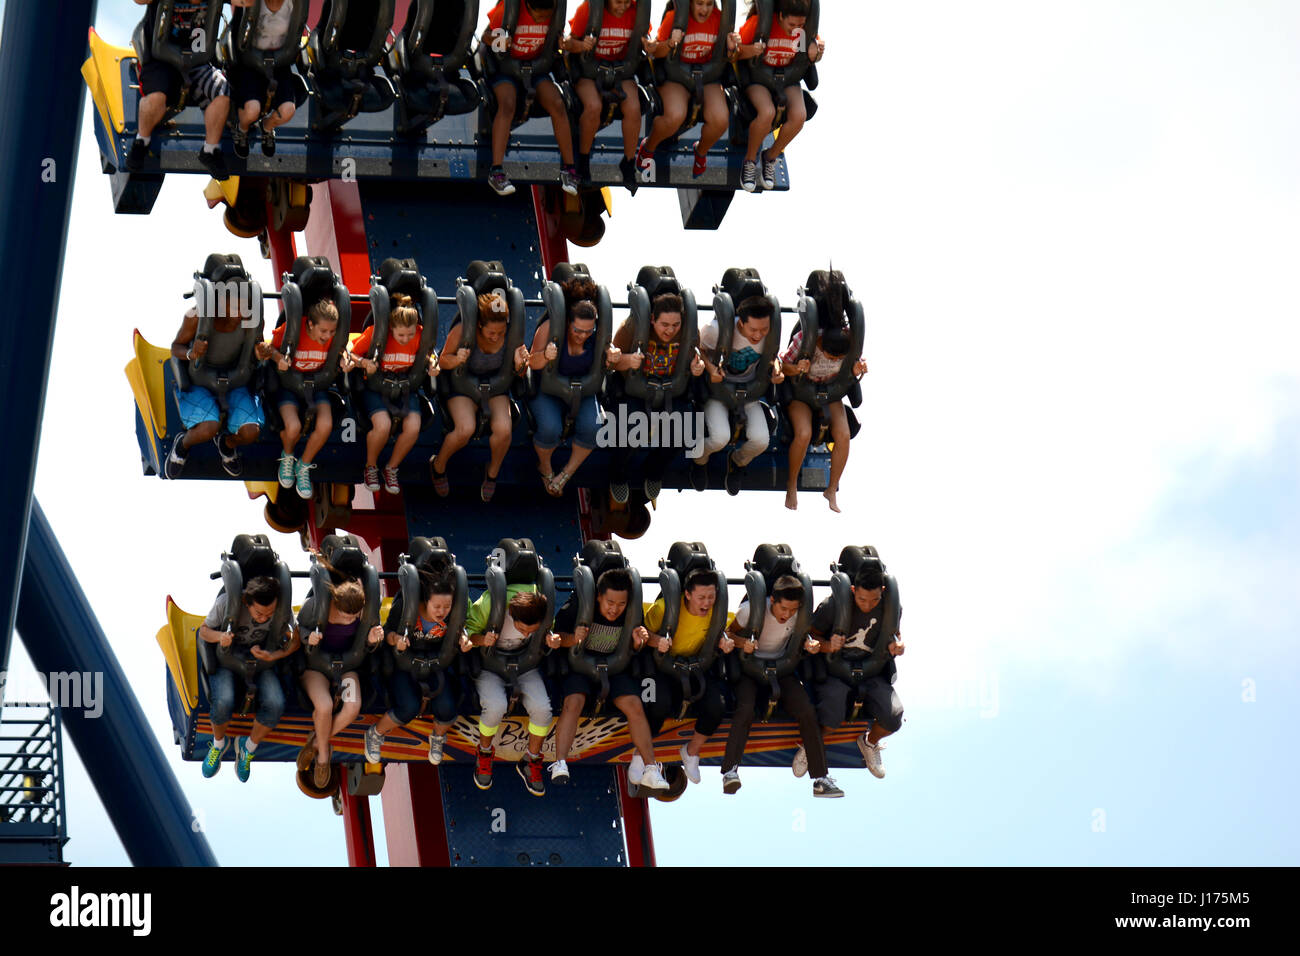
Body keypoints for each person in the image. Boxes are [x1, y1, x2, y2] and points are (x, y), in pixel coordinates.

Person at [720, 574, 843, 797]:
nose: (787, 615)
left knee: (806, 710)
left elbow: (809, 641)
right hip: (750, 668)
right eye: (783, 609)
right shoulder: (749, 611)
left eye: (792, 610)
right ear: (772, 601)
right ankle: (730, 771)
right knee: (745, 708)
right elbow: (728, 635)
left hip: (781, 668)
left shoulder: (797, 616)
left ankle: (820, 779)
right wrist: (742, 644)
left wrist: (818, 645)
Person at [549, 569, 668, 792]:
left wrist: (638, 642)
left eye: (621, 604)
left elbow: (637, 645)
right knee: (573, 701)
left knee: (634, 704)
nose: (614, 609)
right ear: (598, 597)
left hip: (614, 668)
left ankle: (651, 768)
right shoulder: (577, 608)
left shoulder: (631, 614)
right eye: (609, 602)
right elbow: (560, 637)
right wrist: (572, 639)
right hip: (580, 667)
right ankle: (560, 763)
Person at [801, 564, 904, 779]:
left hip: (871, 671)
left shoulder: (891, 607)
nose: (868, 606)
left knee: (894, 717)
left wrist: (896, 646)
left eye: (874, 600)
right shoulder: (833, 606)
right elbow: (809, 635)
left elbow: (895, 634)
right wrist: (828, 645)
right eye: (862, 600)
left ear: (883, 592)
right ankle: (810, 747)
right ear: (853, 590)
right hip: (835, 670)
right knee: (831, 717)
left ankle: (869, 742)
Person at [429, 290, 530, 502]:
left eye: (500, 333)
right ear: (480, 325)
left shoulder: (510, 337)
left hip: (495, 388)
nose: (496, 337)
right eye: (491, 332)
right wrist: (457, 359)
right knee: (465, 429)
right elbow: (443, 361)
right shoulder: (462, 331)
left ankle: (492, 473)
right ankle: (438, 465)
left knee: (504, 430)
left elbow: (519, 372)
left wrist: (521, 365)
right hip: (464, 388)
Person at [198, 574, 299, 782]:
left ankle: (247, 747)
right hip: (228, 659)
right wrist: (221, 638)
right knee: (223, 702)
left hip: (261, 661)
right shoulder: (226, 603)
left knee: (275, 704)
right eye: (259, 614)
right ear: (246, 601)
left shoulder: (281, 609)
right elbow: (204, 631)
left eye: (268, 614)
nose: (263, 619)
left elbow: (296, 640)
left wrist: (274, 655)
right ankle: (219, 744)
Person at [607, 291, 705, 502]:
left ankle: (654, 471)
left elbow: (698, 359)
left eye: (676, 325)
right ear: (652, 319)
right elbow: (611, 363)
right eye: (664, 325)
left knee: (686, 431)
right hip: (636, 391)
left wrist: (698, 368)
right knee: (632, 429)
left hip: (671, 391)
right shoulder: (630, 329)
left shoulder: (690, 332)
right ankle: (618, 474)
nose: (670, 330)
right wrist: (626, 359)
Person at [780, 274, 868, 511]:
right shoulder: (804, 339)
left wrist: (857, 370)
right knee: (804, 433)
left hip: (830, 393)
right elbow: (782, 364)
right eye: (830, 356)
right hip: (802, 393)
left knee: (843, 434)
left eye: (838, 358)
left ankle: (831, 489)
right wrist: (797, 368)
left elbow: (853, 366)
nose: (833, 360)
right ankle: (791, 485)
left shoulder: (848, 341)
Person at [364, 562, 462, 766]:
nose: (442, 611)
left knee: (448, 708)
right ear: (426, 600)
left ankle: (437, 737)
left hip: (435, 661)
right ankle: (375, 733)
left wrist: (464, 640)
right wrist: (396, 640)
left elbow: (459, 632)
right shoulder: (405, 607)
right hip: (405, 661)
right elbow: (388, 632)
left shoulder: (452, 614)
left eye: (447, 607)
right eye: (437, 607)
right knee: (408, 707)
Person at [296, 565, 385, 788]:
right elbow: (297, 633)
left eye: (353, 617)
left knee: (353, 706)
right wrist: (309, 638)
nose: (349, 620)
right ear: (334, 602)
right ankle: (323, 755)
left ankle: (315, 742)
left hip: (346, 667)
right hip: (316, 668)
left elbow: (365, 646)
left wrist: (372, 640)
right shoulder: (315, 609)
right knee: (324, 706)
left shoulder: (362, 613)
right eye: (345, 616)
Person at [641, 567, 731, 786]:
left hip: (693, 668)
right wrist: (656, 641)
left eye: (711, 597)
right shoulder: (663, 609)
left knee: (717, 706)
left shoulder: (716, 613)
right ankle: (641, 757)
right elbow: (640, 631)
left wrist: (728, 641)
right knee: (657, 704)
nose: (707, 602)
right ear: (687, 595)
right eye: (701, 597)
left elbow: (732, 630)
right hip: (660, 668)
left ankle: (691, 751)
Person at [462, 588, 556, 796]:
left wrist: (550, 639)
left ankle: (530, 759)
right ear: (511, 614)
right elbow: (469, 632)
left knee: (542, 710)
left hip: (524, 667)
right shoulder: (489, 607)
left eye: (530, 631)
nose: (525, 634)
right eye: (522, 629)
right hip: (490, 668)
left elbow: (550, 631)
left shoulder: (540, 612)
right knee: (496, 707)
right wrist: (480, 640)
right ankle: (484, 753)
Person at [482, 0, 580, 197]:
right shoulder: (507, 10)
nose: (542, 20)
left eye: (546, 17)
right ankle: (496, 170)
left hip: (535, 68)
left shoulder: (554, 13)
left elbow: (559, 43)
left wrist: (562, 43)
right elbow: (485, 37)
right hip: (506, 69)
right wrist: (498, 41)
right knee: (507, 104)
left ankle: (569, 169)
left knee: (558, 104)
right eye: (538, 17)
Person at [528, 277, 616, 496]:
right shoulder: (550, 328)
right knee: (550, 429)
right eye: (577, 331)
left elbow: (613, 358)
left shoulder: (596, 337)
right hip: (550, 390)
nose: (582, 336)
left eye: (588, 331)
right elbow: (532, 362)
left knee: (593, 428)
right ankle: (545, 467)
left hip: (582, 390)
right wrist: (545, 355)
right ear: (568, 322)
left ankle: (565, 474)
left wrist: (613, 356)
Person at [127, 0, 234, 180]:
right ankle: (141, 141)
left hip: (197, 61)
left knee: (222, 92)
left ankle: (210, 150)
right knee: (156, 100)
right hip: (162, 60)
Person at [344, 293, 438, 496]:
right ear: (391, 328)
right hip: (376, 387)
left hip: (405, 387)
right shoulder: (376, 333)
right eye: (401, 335)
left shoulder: (420, 335)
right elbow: (351, 351)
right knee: (383, 425)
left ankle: (391, 468)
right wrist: (363, 363)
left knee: (413, 427)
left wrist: (431, 363)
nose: (406, 340)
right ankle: (371, 466)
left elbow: (430, 354)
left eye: (410, 335)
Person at [691, 295, 784, 495]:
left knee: (761, 441)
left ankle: (737, 462)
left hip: (748, 393)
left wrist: (776, 370)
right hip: (719, 392)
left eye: (764, 330)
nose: (759, 335)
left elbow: (772, 356)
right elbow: (699, 350)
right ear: (741, 322)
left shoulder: (769, 334)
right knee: (719, 438)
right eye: (753, 330)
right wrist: (710, 368)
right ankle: (699, 460)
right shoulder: (715, 331)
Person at [165, 295, 265, 480]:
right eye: (234, 305)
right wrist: (190, 353)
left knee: (251, 432)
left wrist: (260, 353)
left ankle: (227, 444)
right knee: (209, 428)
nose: (241, 312)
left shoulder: (251, 318)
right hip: (201, 380)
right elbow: (175, 347)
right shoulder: (194, 316)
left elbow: (258, 347)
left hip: (235, 380)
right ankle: (183, 444)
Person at [638, 0, 737, 176]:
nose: (705, 10)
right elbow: (656, 52)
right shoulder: (674, 19)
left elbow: (729, 57)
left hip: (707, 77)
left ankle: (701, 150)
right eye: (699, 4)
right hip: (677, 77)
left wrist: (731, 49)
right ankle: (648, 146)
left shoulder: (718, 19)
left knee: (721, 120)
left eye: (708, 4)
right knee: (674, 116)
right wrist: (670, 43)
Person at [735, 0, 825, 192]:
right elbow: (734, 54)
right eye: (791, 25)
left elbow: (808, 55)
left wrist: (815, 53)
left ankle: (770, 157)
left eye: (800, 26)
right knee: (766, 113)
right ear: (780, 16)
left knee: (799, 116)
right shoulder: (760, 25)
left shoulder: (800, 33)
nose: (795, 30)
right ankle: (749, 161)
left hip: (787, 79)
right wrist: (751, 50)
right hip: (759, 79)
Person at [255, 299, 341, 501]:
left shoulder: (332, 338)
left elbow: (343, 351)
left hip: (316, 386)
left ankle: (303, 465)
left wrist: (344, 360)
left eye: (331, 332)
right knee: (292, 427)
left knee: (325, 425)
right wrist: (278, 359)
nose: (327, 336)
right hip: (290, 387)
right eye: (323, 331)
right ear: (310, 324)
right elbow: (270, 348)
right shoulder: (293, 330)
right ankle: (287, 455)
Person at [564, 0, 655, 187]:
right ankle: (583, 159)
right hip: (590, 73)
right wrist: (581, 45)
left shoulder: (636, 12)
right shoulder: (587, 10)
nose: (622, 7)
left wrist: (649, 44)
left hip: (620, 72)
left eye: (626, 3)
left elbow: (647, 39)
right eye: (617, 2)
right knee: (593, 106)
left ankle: (629, 162)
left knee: (633, 108)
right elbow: (568, 44)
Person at [227, 0, 303, 159]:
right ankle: (242, 129)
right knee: (252, 110)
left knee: (288, 110)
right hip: (250, 62)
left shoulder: (292, 5)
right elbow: (236, 33)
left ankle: (267, 127)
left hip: (278, 62)